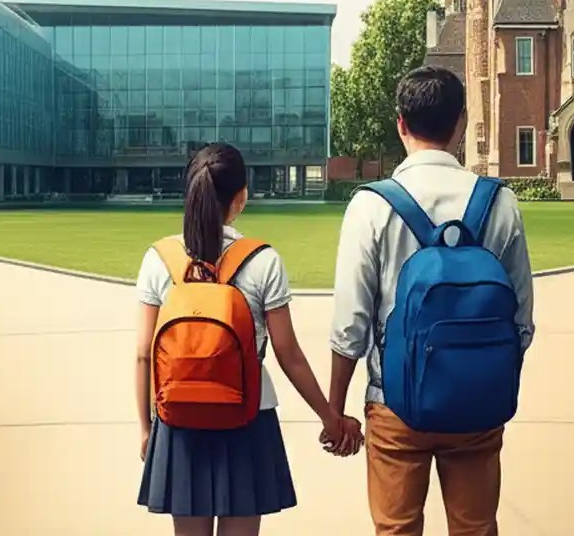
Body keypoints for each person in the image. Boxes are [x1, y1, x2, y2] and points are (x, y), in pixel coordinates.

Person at [326, 66, 536, 536]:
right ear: (461, 123)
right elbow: (521, 319)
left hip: (395, 403)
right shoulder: (499, 201)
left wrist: (336, 412)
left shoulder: (373, 204)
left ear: (400, 123)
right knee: (476, 528)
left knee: (397, 529)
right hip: (478, 403)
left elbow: (350, 327)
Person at [136, 143, 363, 536]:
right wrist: (331, 418)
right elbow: (288, 354)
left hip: (178, 418)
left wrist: (146, 428)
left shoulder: (159, 259)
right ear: (241, 197)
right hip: (247, 414)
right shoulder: (262, 260)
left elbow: (143, 354)